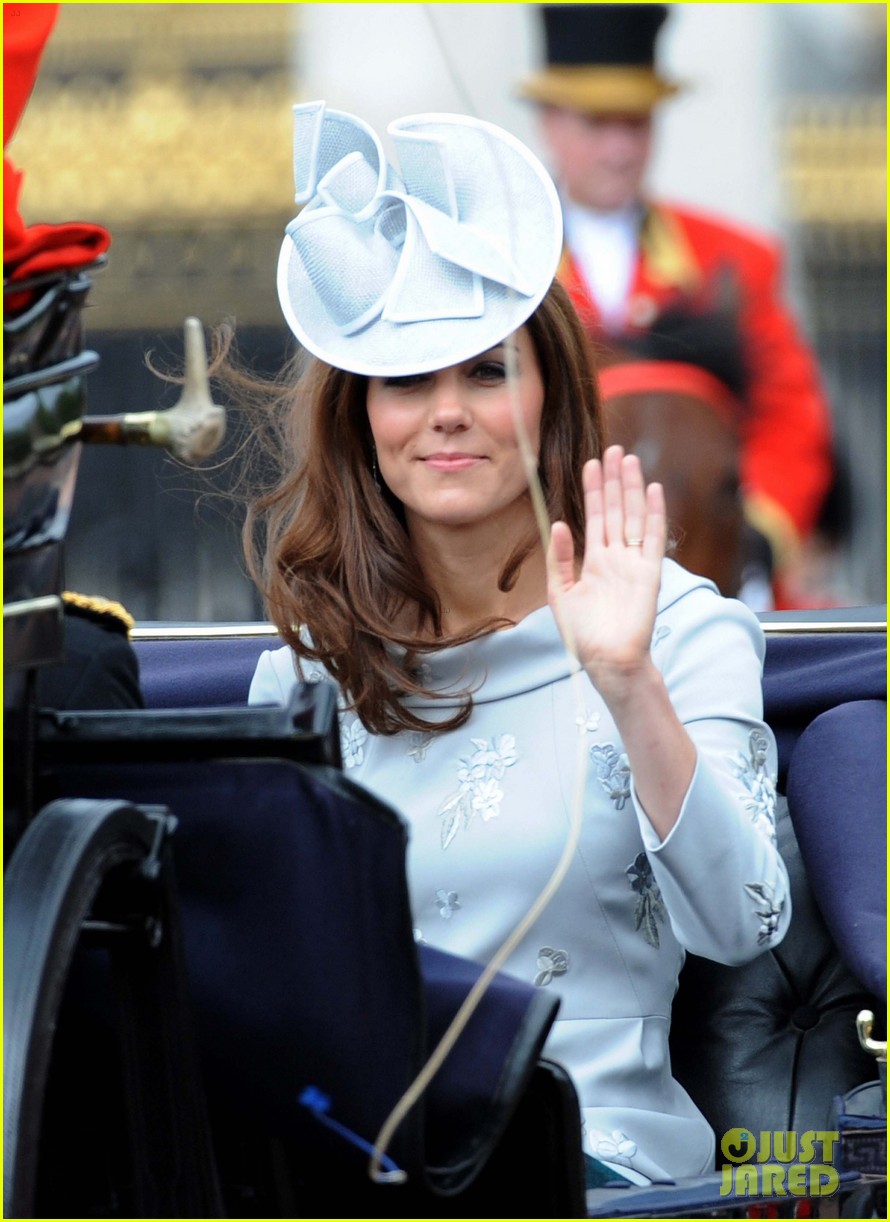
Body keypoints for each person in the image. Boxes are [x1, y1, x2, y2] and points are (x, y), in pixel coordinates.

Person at [243, 101, 790, 1187]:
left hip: (595, 1168)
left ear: (548, 398)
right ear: (359, 417)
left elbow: (744, 923)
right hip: (354, 1172)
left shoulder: (679, 630)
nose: (447, 411)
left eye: (486, 372)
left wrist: (626, 682)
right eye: (405, 378)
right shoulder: (300, 671)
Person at [518, 3, 834, 603]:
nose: (619, 148)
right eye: (596, 123)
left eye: (635, 124)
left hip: (716, 567)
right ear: (550, 124)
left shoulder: (737, 258)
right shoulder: (510, 261)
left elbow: (791, 418)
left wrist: (758, 533)